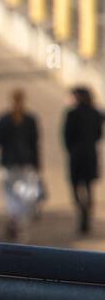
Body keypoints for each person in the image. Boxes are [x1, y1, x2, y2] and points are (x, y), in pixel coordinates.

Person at [0, 90, 42, 240]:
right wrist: (37, 164)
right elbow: (35, 143)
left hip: (9, 163)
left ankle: (15, 221)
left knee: (11, 195)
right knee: (25, 195)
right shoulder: (30, 119)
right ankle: (20, 224)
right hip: (26, 162)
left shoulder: (4, 119)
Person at [63, 86, 105, 234]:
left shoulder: (71, 114)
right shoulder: (95, 113)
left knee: (75, 187)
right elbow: (99, 135)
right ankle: (86, 214)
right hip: (90, 154)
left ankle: (82, 212)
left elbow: (66, 136)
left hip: (76, 155)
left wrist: (71, 150)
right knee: (88, 187)